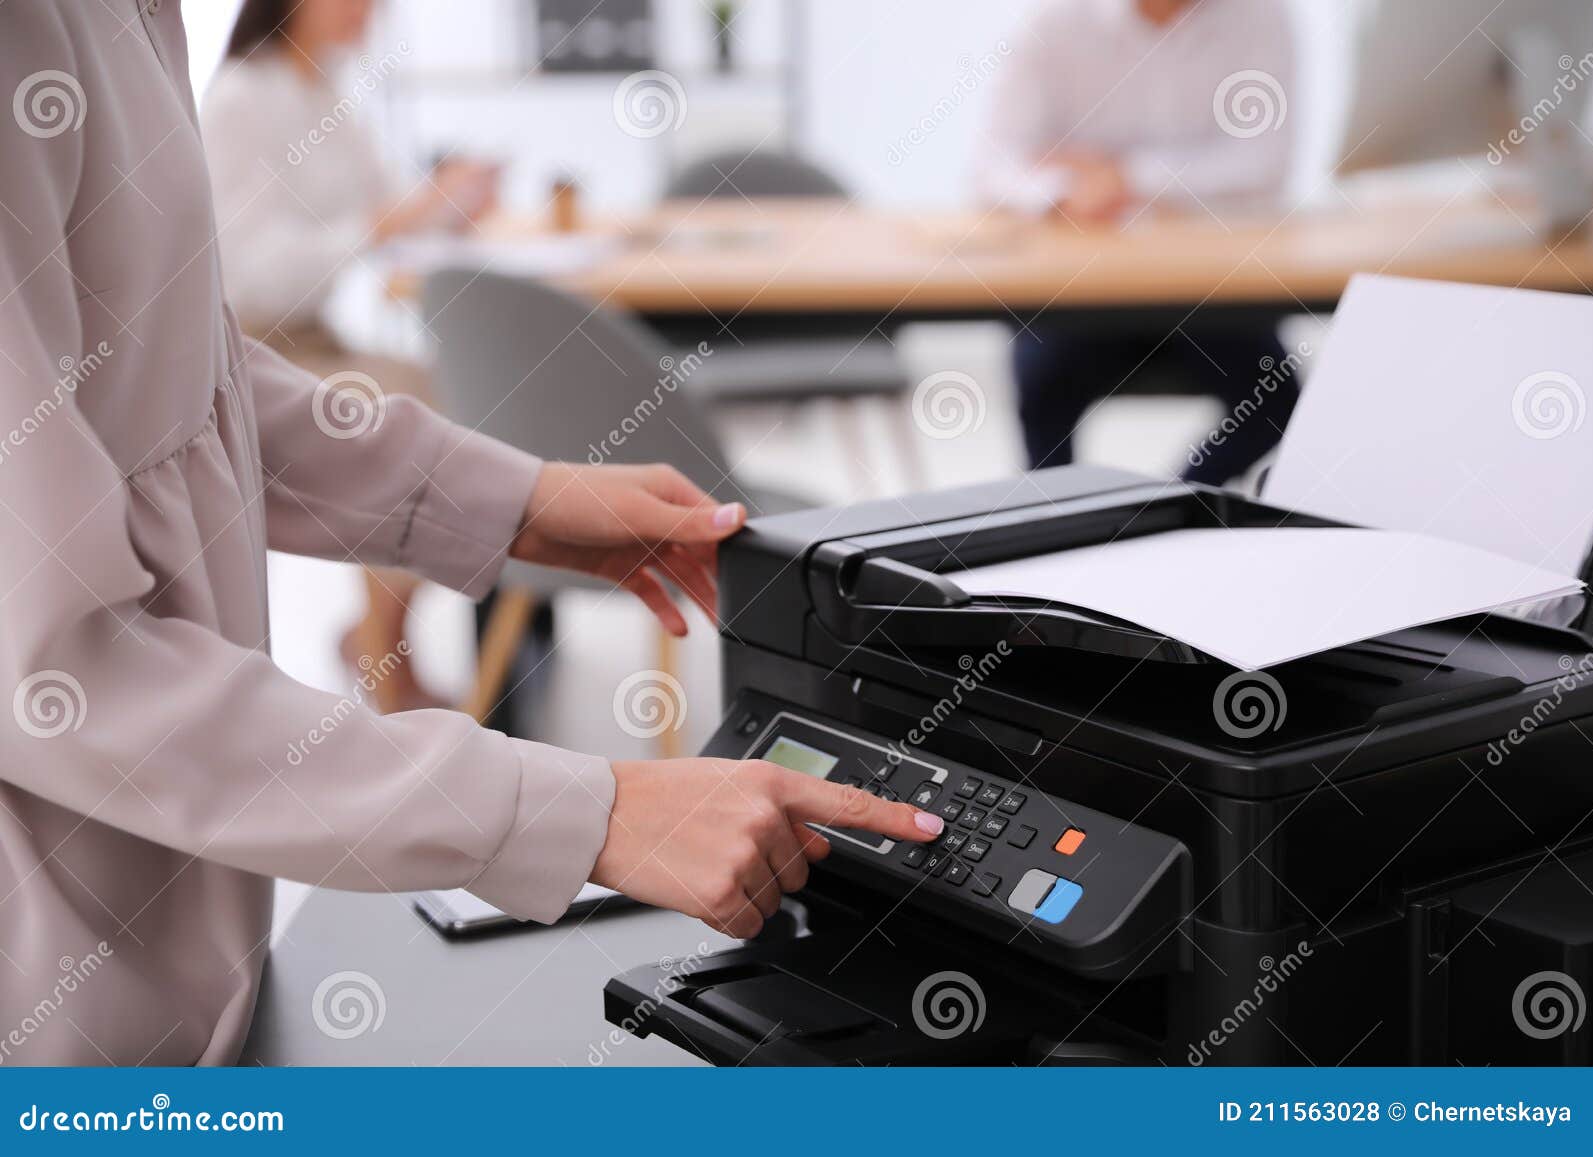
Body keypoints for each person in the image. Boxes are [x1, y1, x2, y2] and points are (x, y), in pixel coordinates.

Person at [0, 3, 943, 1066]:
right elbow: (55, 666)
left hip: (182, 946)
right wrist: (589, 808)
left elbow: (166, 372)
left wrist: (514, 498)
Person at [201, 0, 502, 711]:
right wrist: (380, 224)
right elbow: (246, 269)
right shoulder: (242, 98)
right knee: (410, 417)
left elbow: (388, 208)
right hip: (254, 343)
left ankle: (379, 637)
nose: (370, 8)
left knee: (474, 404)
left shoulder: (324, 89)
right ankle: (381, 652)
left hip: (315, 335)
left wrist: (452, 202)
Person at [982, 0, 1300, 485]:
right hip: (1082, 293)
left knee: (1276, 397)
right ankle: (1055, 530)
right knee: (1041, 383)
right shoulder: (1056, 22)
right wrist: (1065, 191)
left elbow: (1263, 167)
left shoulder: (1261, 17)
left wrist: (1124, 176)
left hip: (1210, 293)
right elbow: (991, 167)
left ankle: (1168, 511)